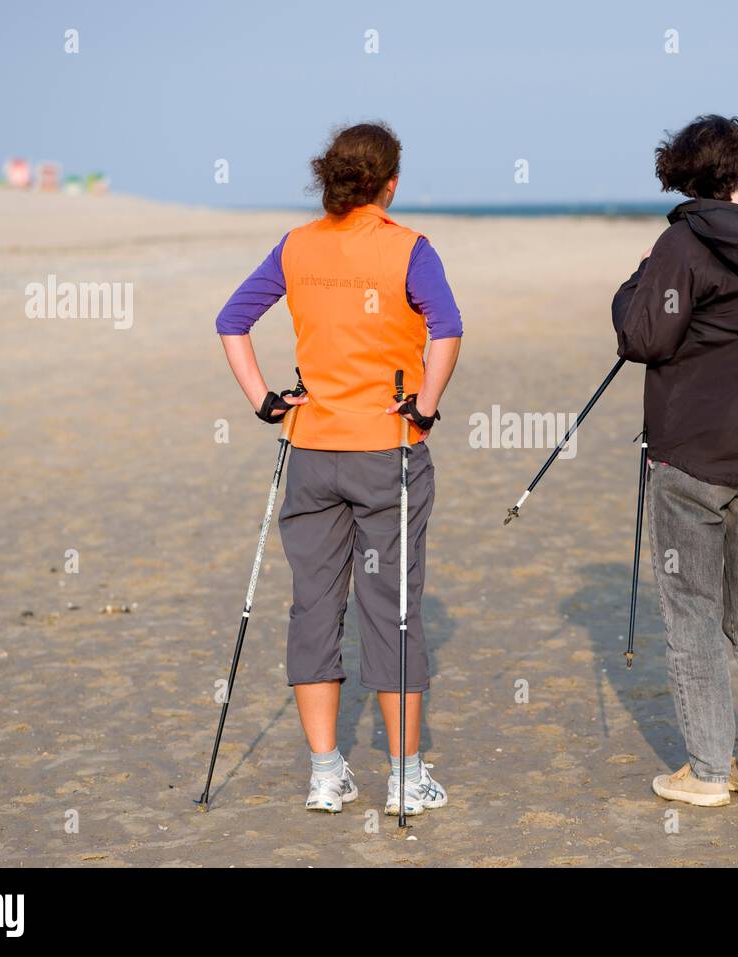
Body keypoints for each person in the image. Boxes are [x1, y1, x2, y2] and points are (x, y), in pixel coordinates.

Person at [214, 122, 462, 816]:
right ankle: (406, 776)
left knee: (314, 605)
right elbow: (447, 327)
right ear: (389, 182)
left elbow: (231, 321)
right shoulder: (409, 248)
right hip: (389, 451)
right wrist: (426, 407)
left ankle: (327, 773)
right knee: (395, 610)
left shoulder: (297, 246)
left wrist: (265, 399)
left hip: (313, 454)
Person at [611, 115, 738, 807]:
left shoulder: (680, 243)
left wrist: (635, 281)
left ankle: (707, 772)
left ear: (683, 176)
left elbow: (641, 335)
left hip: (694, 456)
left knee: (694, 614)